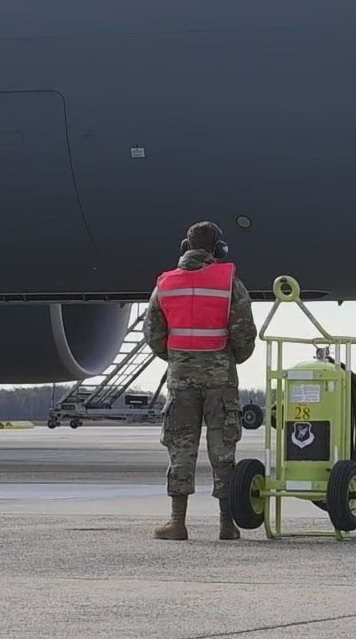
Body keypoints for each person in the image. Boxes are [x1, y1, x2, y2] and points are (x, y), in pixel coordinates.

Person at [144, 220, 257, 540]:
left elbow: (153, 334)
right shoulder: (228, 282)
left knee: (180, 447)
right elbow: (244, 331)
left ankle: (177, 522)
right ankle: (226, 523)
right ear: (218, 249)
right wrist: (230, 357)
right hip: (220, 377)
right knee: (223, 448)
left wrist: (178, 358)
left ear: (185, 246)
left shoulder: (165, 284)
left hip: (181, 379)